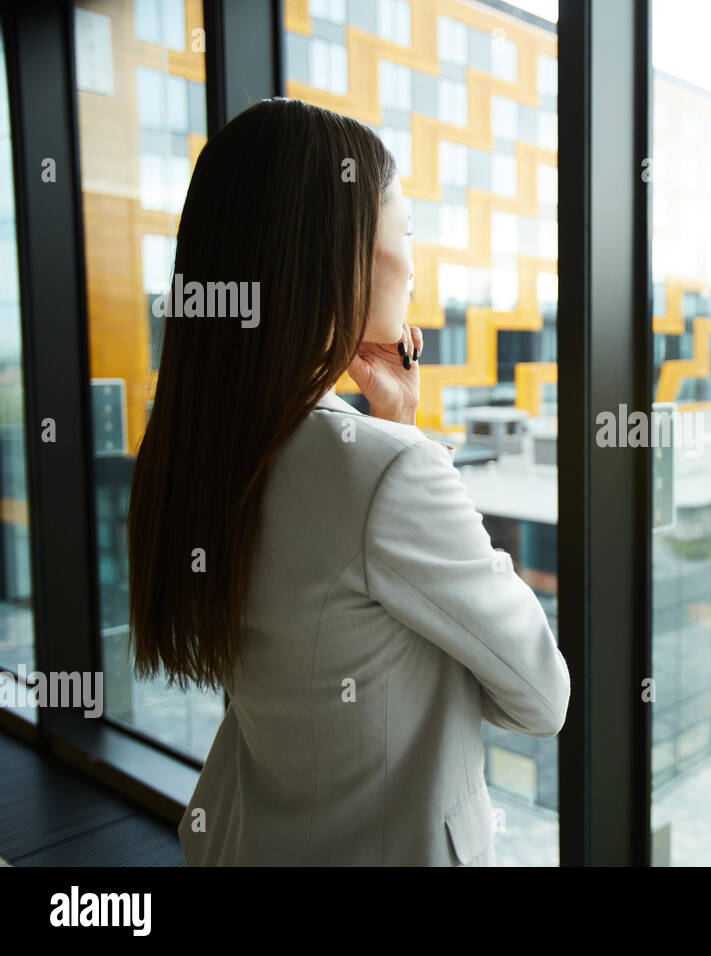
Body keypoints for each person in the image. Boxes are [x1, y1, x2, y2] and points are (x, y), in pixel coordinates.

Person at [126, 99, 570, 866]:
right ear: (334, 255)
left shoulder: (203, 443)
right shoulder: (386, 474)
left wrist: (394, 423)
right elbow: (542, 696)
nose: (414, 256)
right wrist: (404, 443)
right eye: (404, 230)